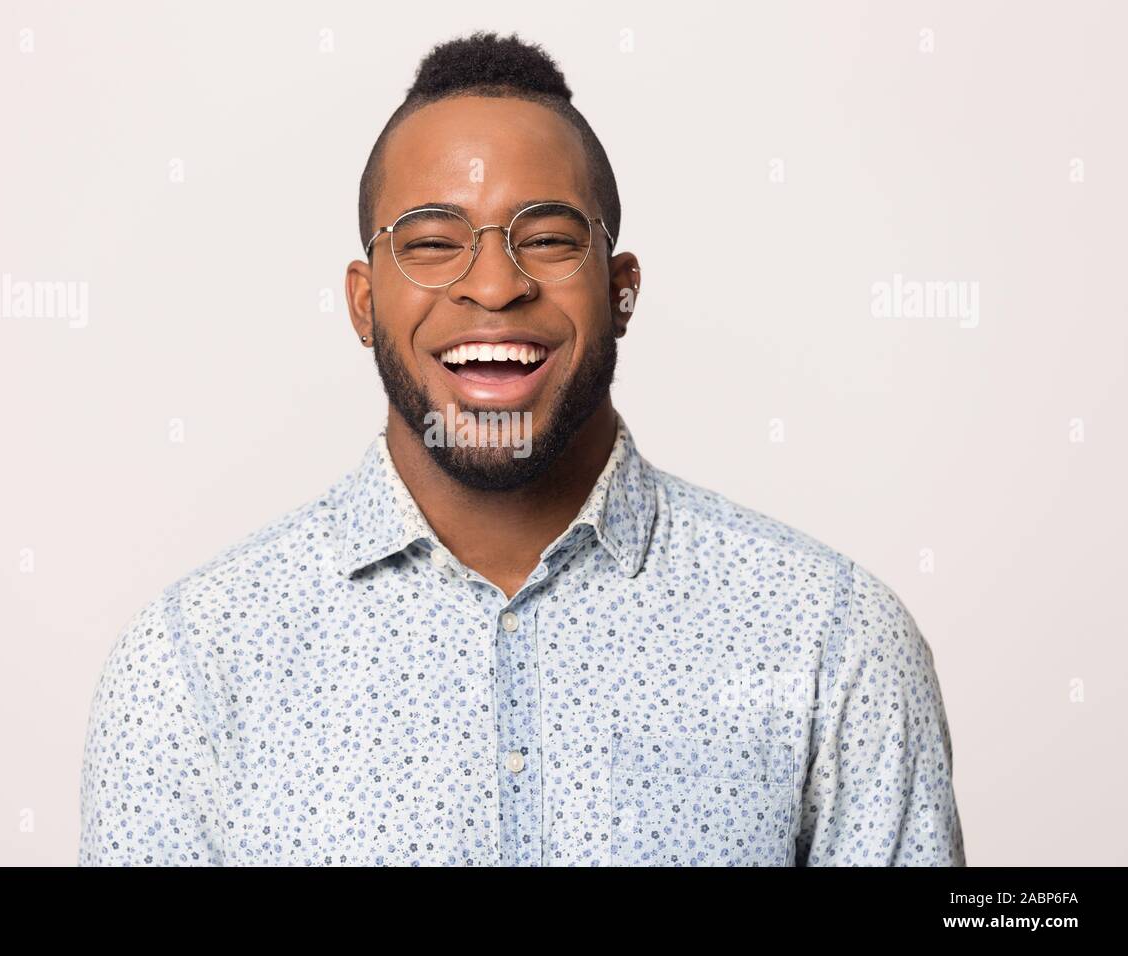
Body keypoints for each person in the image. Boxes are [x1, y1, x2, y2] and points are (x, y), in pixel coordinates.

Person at [79, 31, 966, 866]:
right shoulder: (192, 665)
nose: (495, 286)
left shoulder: (832, 642)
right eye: (431, 243)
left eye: (545, 238)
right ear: (362, 302)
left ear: (621, 292)